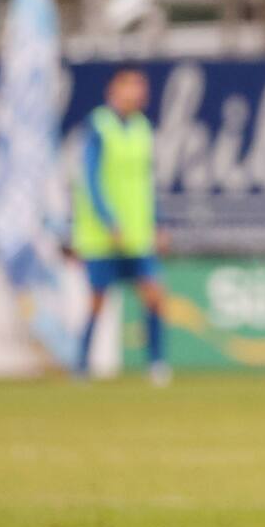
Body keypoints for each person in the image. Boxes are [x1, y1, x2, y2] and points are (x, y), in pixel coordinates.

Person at [71, 65, 169, 384]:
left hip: (137, 234)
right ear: (114, 89)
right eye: (131, 85)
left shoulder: (142, 128)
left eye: (141, 86)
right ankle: (81, 365)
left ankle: (156, 365)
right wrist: (107, 219)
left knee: (154, 295)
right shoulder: (99, 127)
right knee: (98, 301)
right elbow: (90, 179)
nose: (138, 92)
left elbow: (147, 184)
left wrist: (157, 224)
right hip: (103, 235)